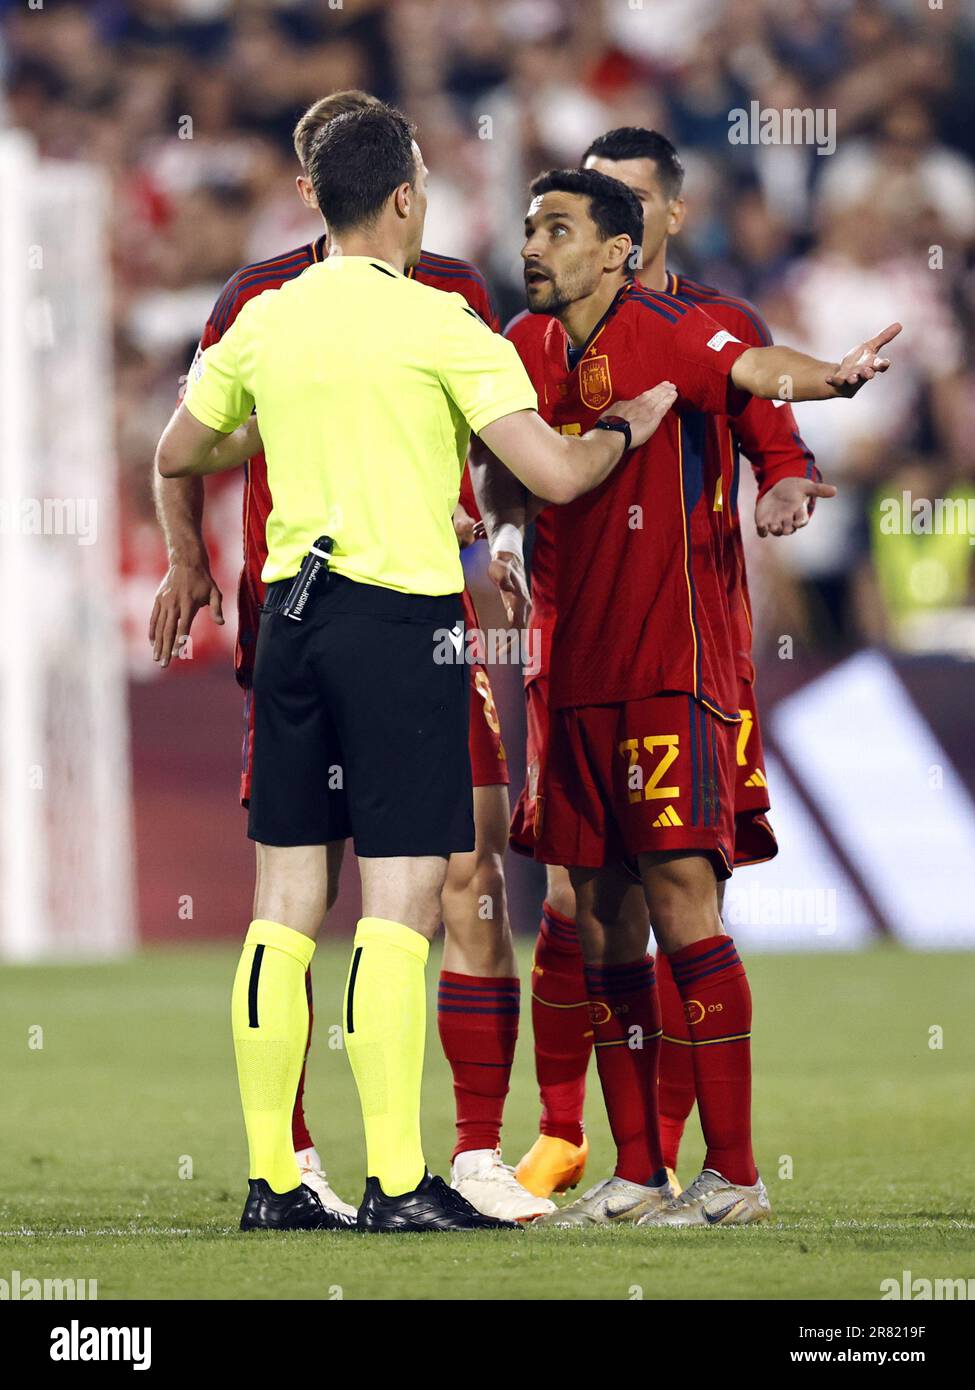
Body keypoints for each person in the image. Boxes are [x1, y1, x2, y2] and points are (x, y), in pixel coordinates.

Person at [154, 106, 678, 1233]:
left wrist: (200, 538)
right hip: (398, 626)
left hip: (288, 623)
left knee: (282, 908)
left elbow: (178, 451)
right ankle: (398, 1179)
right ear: (403, 199)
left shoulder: (265, 317)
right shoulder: (444, 320)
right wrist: (629, 425)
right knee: (399, 906)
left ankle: (274, 1182)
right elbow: (557, 472)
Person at [471, 166, 899, 1227]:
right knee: (602, 920)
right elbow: (503, 468)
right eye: (530, 228)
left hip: (671, 667)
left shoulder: (672, 330)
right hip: (568, 677)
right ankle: (636, 1169)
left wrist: (834, 382)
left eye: (558, 229)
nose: (534, 246)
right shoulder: (521, 349)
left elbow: (756, 367)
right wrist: (512, 535)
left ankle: (738, 1174)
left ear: (618, 248)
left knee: (683, 906)